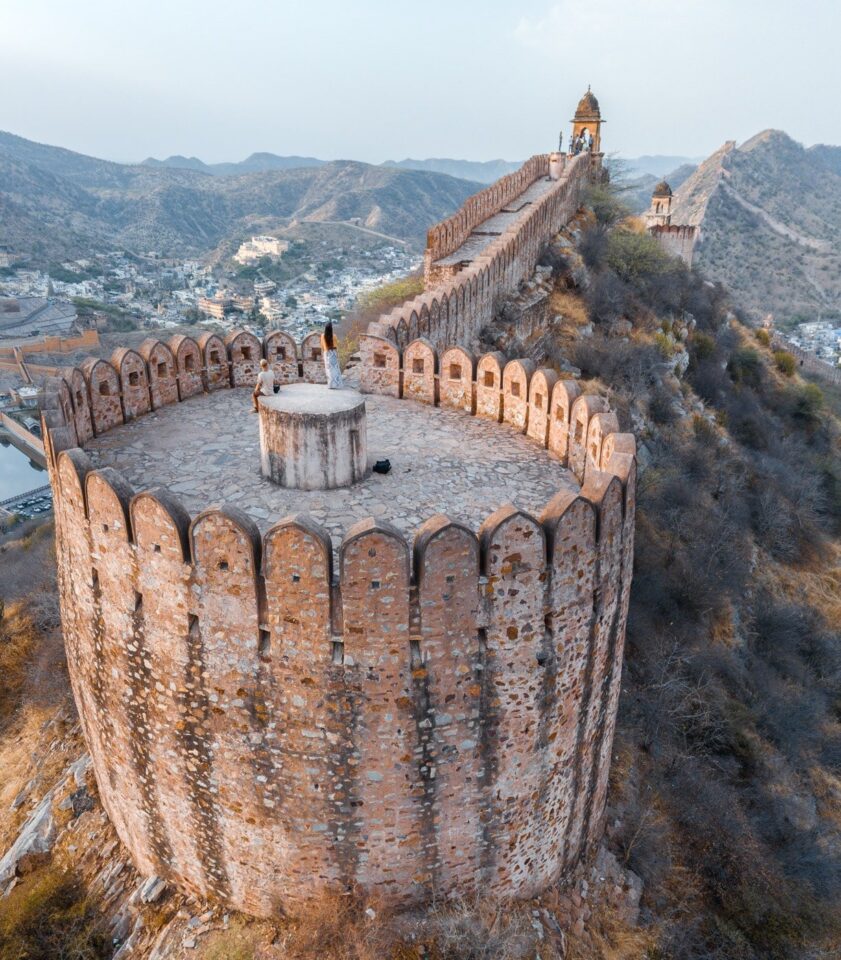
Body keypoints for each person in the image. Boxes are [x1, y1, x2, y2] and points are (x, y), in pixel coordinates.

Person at [321, 322, 344, 389]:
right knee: (335, 369)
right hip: (333, 353)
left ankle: (330, 384)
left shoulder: (322, 336)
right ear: (331, 329)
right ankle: (336, 384)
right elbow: (336, 345)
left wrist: (325, 352)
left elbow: (322, 345)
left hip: (326, 353)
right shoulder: (334, 336)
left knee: (328, 370)